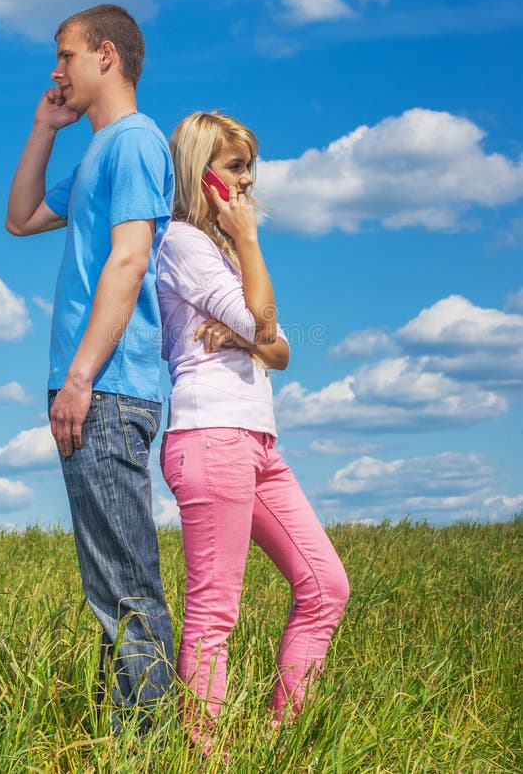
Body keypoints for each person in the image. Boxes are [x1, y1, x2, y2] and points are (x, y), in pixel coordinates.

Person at [156, 111, 350, 750]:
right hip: (211, 434)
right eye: (233, 167)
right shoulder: (185, 242)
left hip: (257, 442)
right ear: (199, 172)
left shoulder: (218, 251)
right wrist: (251, 246)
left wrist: (245, 330)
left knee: (325, 585)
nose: (245, 182)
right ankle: (204, 756)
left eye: (249, 168)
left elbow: (282, 349)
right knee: (215, 613)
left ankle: (278, 741)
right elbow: (268, 330)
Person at [6, 4, 174, 728]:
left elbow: (130, 258)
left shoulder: (136, 141)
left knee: (128, 588)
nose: (55, 70)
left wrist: (78, 380)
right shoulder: (99, 152)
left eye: (65, 55)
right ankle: (126, 741)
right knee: (110, 588)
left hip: (103, 386)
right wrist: (44, 129)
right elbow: (22, 218)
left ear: (106, 55)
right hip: (88, 386)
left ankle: (151, 747)